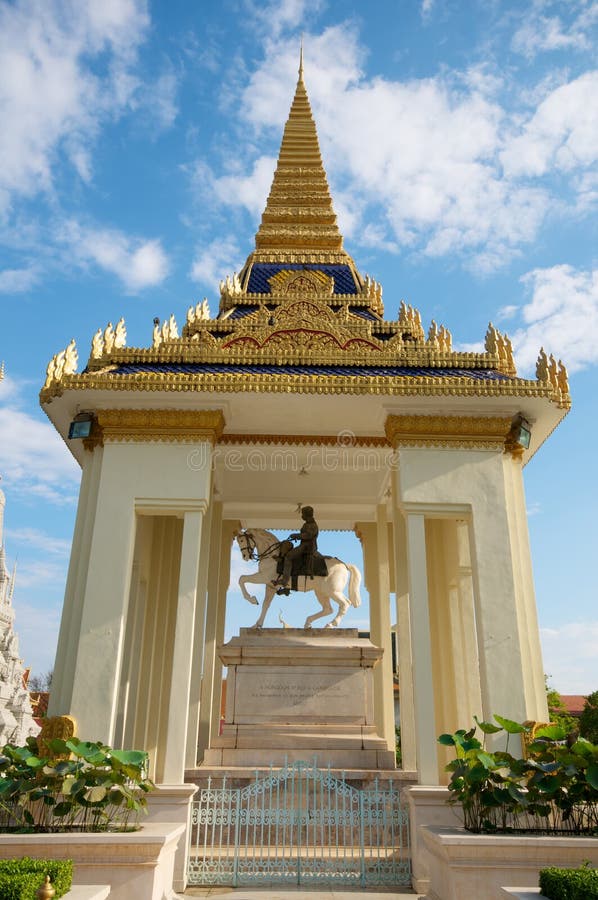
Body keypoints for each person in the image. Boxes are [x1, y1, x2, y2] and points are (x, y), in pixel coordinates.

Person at [273, 506, 319, 588]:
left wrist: (296, 535)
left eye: (303, 514)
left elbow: (308, 535)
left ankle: (284, 580)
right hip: (303, 545)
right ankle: (281, 559)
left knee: (289, 557)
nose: (302, 516)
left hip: (307, 547)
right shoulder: (307, 524)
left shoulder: (313, 525)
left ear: (306, 515)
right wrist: (296, 536)